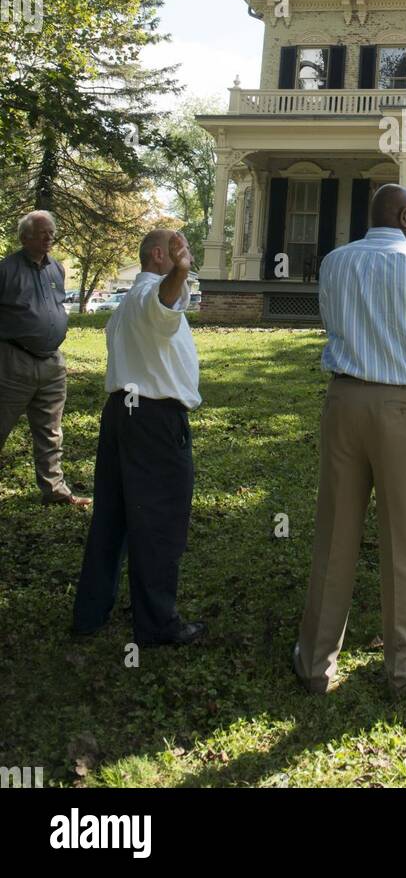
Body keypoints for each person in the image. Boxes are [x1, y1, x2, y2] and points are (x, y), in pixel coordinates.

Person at [294, 184, 406, 698]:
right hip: (402, 406)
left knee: (334, 533)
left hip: (344, 400)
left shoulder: (334, 263)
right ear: (402, 215)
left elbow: (333, 325)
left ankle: (314, 664)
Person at [72, 230, 204, 646]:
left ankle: (90, 613)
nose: (187, 253)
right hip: (153, 420)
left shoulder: (128, 303)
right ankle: (157, 624)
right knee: (160, 521)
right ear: (160, 256)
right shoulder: (149, 296)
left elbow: (165, 305)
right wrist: (181, 271)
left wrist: (179, 274)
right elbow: (164, 303)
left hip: (122, 416)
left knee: (113, 516)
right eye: (179, 248)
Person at [0, 211, 90, 507]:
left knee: (51, 431)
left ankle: (55, 491)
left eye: (51, 233)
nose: (48, 238)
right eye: (42, 233)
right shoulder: (6, 270)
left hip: (52, 363)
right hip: (14, 361)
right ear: (24, 237)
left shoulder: (57, 269)